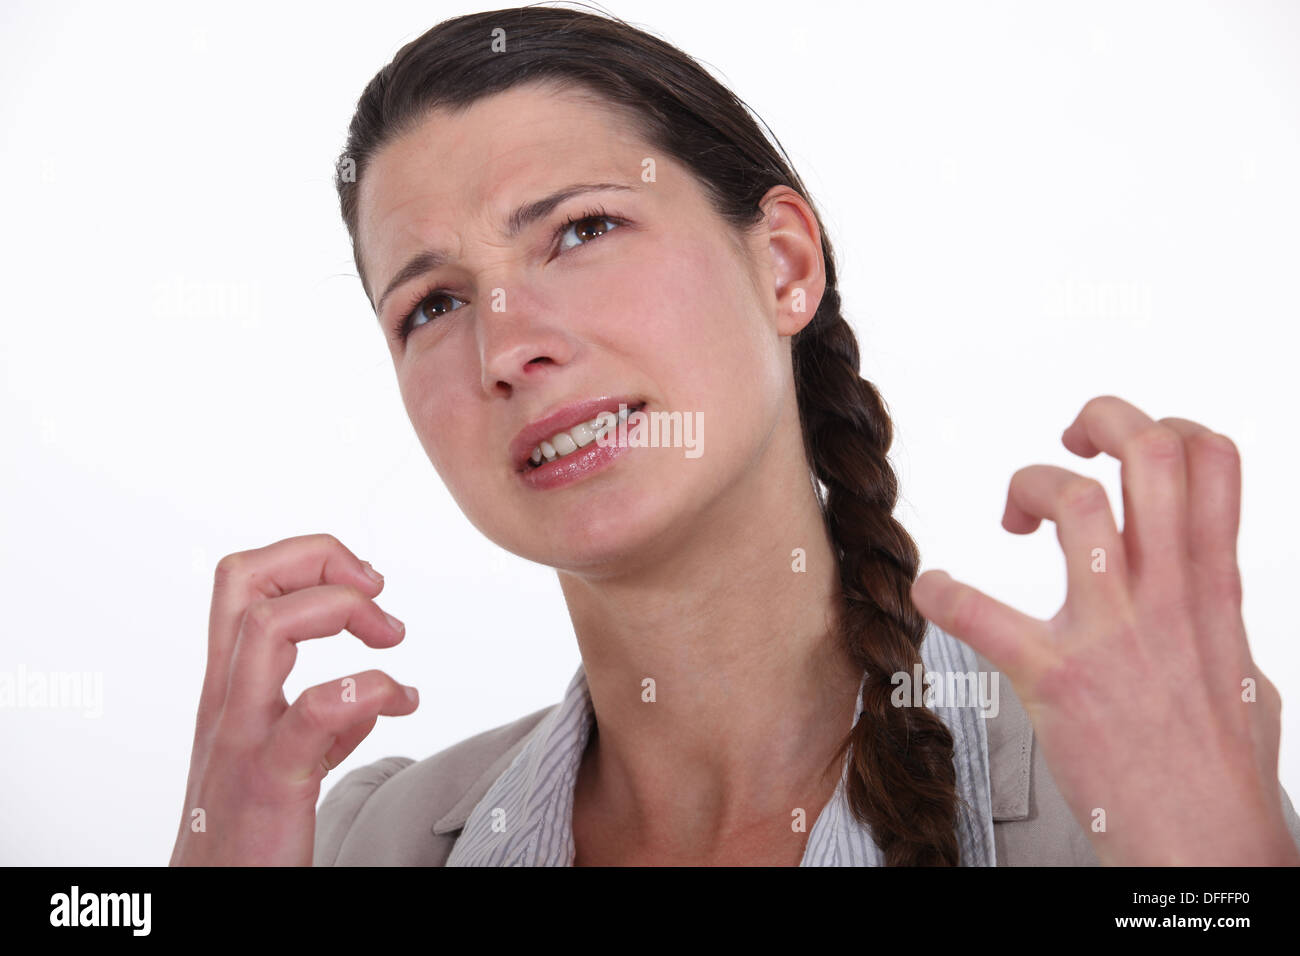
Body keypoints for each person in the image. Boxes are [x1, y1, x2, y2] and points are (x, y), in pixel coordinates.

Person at [170, 5, 1300, 867]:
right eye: (433, 303)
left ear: (783, 265)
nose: (505, 346)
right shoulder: (373, 841)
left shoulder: (1111, 791)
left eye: (580, 229)